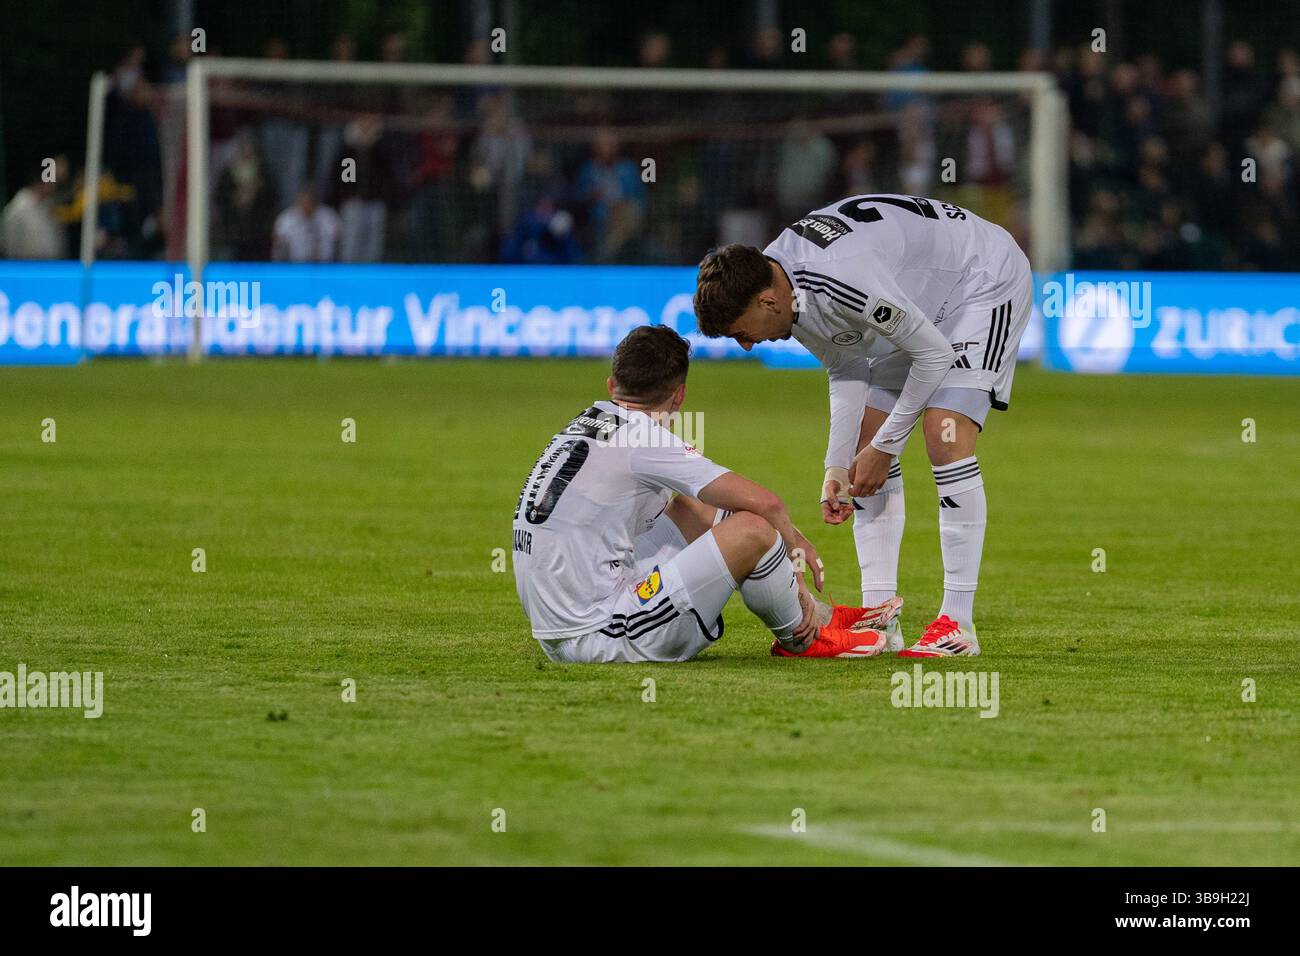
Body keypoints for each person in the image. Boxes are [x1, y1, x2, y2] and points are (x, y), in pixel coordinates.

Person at [692, 193, 1035, 658]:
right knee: (862, 446)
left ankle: (958, 623)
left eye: (740, 331)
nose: (747, 345)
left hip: (981, 279)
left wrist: (889, 447)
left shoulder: (838, 280)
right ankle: (881, 618)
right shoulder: (783, 287)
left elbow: (933, 354)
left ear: (767, 301)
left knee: (944, 432)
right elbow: (847, 366)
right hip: (916, 297)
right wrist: (836, 467)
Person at [511, 325, 900, 664]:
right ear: (679, 396)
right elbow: (766, 503)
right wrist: (797, 558)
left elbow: (692, 508)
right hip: (601, 635)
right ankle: (802, 636)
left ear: (611, 386)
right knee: (754, 528)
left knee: (686, 507)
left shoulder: (589, 421)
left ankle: (820, 616)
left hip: (560, 627)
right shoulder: (644, 437)